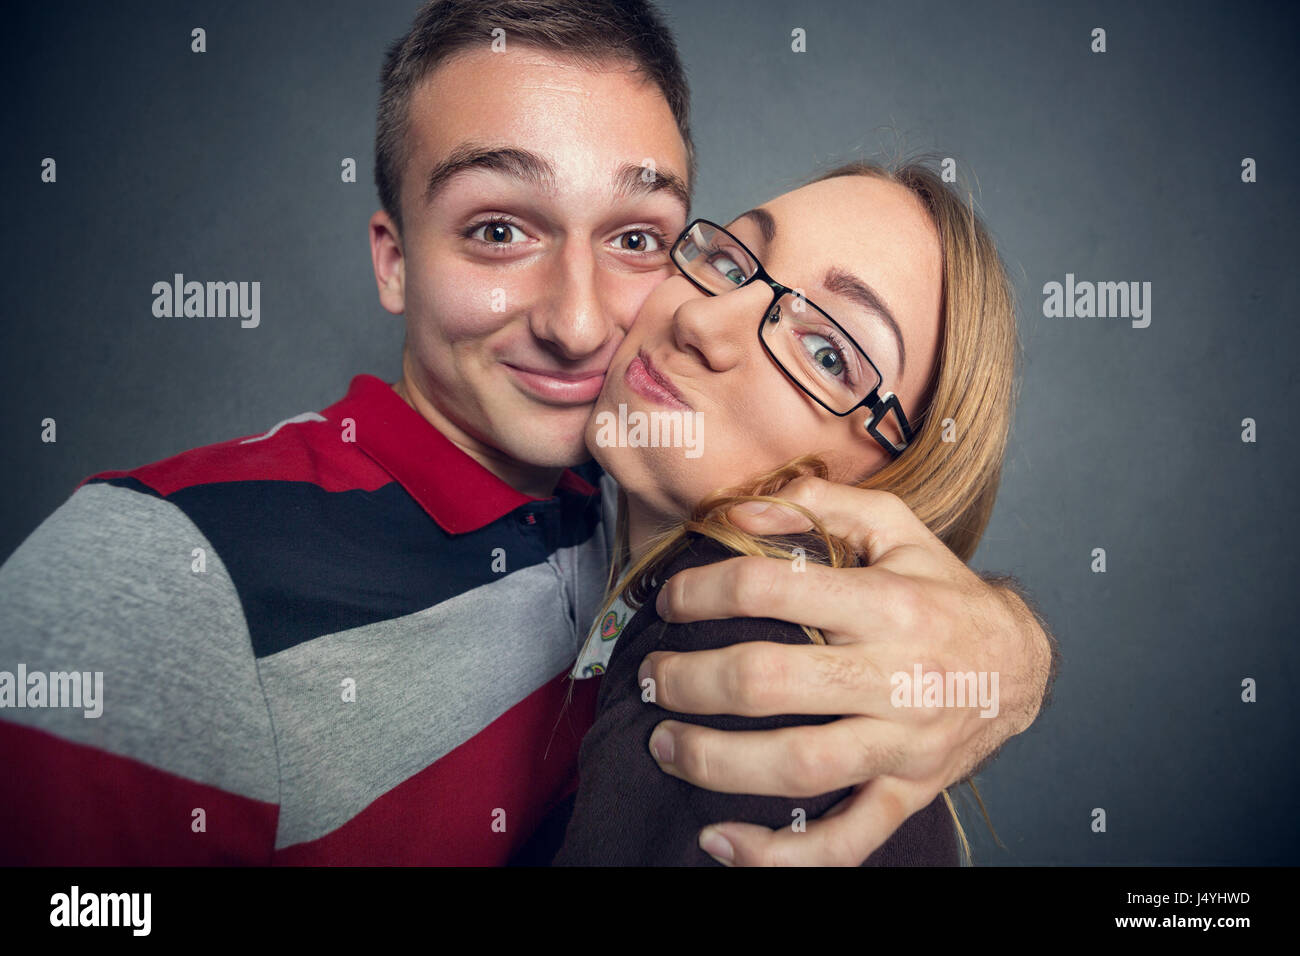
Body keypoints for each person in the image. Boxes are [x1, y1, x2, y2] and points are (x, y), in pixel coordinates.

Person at [0, 0, 1055, 866]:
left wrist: (1004, 647)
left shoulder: (741, 636)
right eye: (499, 228)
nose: (582, 320)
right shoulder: (159, 573)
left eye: (637, 236)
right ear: (395, 257)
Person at [545, 161, 1021, 865]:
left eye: (828, 353)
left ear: (899, 481)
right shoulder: (578, 492)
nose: (700, 320)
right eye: (735, 264)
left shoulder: (741, 664)